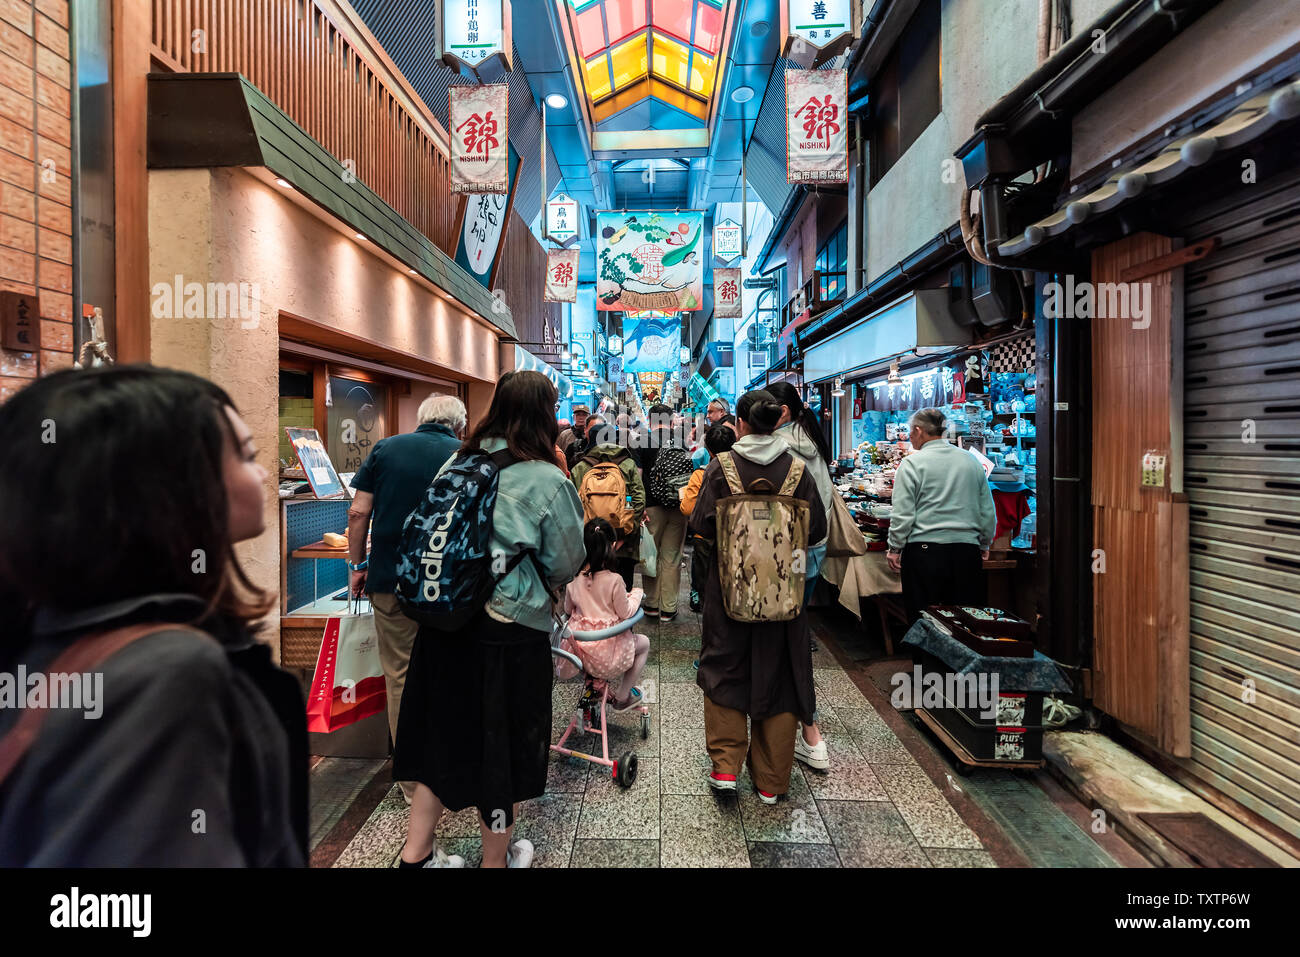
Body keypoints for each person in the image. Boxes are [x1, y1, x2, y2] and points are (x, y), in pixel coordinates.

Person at [0, 365, 307, 866]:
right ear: (171, 487)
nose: (266, 472)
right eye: (249, 456)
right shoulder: (167, 671)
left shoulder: (49, 633)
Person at [394, 371, 585, 869]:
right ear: (545, 414)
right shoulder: (547, 477)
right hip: (509, 631)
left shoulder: (459, 459)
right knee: (502, 754)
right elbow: (566, 561)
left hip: (444, 625)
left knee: (442, 739)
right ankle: (495, 862)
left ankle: (415, 857)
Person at [690, 390, 827, 804]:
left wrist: (707, 584)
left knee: (725, 671)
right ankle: (770, 782)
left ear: (742, 424)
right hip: (785, 600)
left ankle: (726, 769)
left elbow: (700, 531)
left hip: (728, 595)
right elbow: (817, 532)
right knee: (781, 676)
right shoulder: (798, 470)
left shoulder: (722, 469)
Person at [347, 394, 466, 803]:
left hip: (389, 579)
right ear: (459, 425)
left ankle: (412, 782)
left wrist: (356, 564)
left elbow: (358, 512)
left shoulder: (385, 448)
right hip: (446, 585)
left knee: (399, 675)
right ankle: (449, 764)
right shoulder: (465, 453)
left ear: (421, 419)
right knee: (449, 672)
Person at [767, 382, 835, 772]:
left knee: (784, 634)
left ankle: (808, 729)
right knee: (794, 624)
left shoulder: (781, 449)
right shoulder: (813, 442)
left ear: (786, 411)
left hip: (788, 550)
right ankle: (804, 727)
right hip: (813, 548)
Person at [887, 407, 997, 623]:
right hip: (966, 553)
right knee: (965, 620)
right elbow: (987, 509)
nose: (910, 436)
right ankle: (961, 658)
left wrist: (895, 547)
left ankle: (924, 659)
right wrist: (984, 543)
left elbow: (903, 513)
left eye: (910, 431)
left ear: (919, 431)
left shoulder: (912, 464)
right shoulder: (970, 461)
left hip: (924, 553)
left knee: (925, 621)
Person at [564, 519, 650, 712]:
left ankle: (594, 688)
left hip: (580, 655)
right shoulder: (614, 581)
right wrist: (636, 593)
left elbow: (568, 610)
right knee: (644, 644)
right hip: (608, 655)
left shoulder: (573, 579)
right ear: (612, 546)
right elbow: (626, 611)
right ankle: (622, 697)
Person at [570, 418, 645, 591]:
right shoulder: (628, 464)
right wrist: (625, 532)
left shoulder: (580, 467)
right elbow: (639, 499)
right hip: (623, 544)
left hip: (588, 543)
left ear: (591, 440)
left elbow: (572, 504)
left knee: (590, 590)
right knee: (622, 589)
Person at [637, 403, 694, 621]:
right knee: (671, 556)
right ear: (671, 421)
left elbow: (639, 475)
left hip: (651, 508)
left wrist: (639, 505)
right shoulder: (683, 441)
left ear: (650, 421)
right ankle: (669, 608)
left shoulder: (642, 439)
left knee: (651, 554)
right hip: (678, 507)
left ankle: (651, 604)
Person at [680, 424, 735, 615]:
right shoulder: (741, 472)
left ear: (708, 449)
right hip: (734, 536)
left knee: (703, 574)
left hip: (705, 536)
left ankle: (699, 599)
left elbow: (687, 507)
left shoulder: (700, 473)